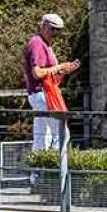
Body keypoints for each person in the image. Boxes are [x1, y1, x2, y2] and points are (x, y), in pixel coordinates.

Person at [24, 13, 80, 154]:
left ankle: (38, 167)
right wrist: (59, 67)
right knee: (61, 133)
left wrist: (64, 70)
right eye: (52, 29)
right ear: (43, 26)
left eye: (57, 30)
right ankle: (56, 165)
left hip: (42, 94)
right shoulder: (37, 43)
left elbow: (51, 75)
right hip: (43, 94)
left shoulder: (45, 44)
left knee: (42, 136)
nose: (54, 33)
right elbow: (37, 73)